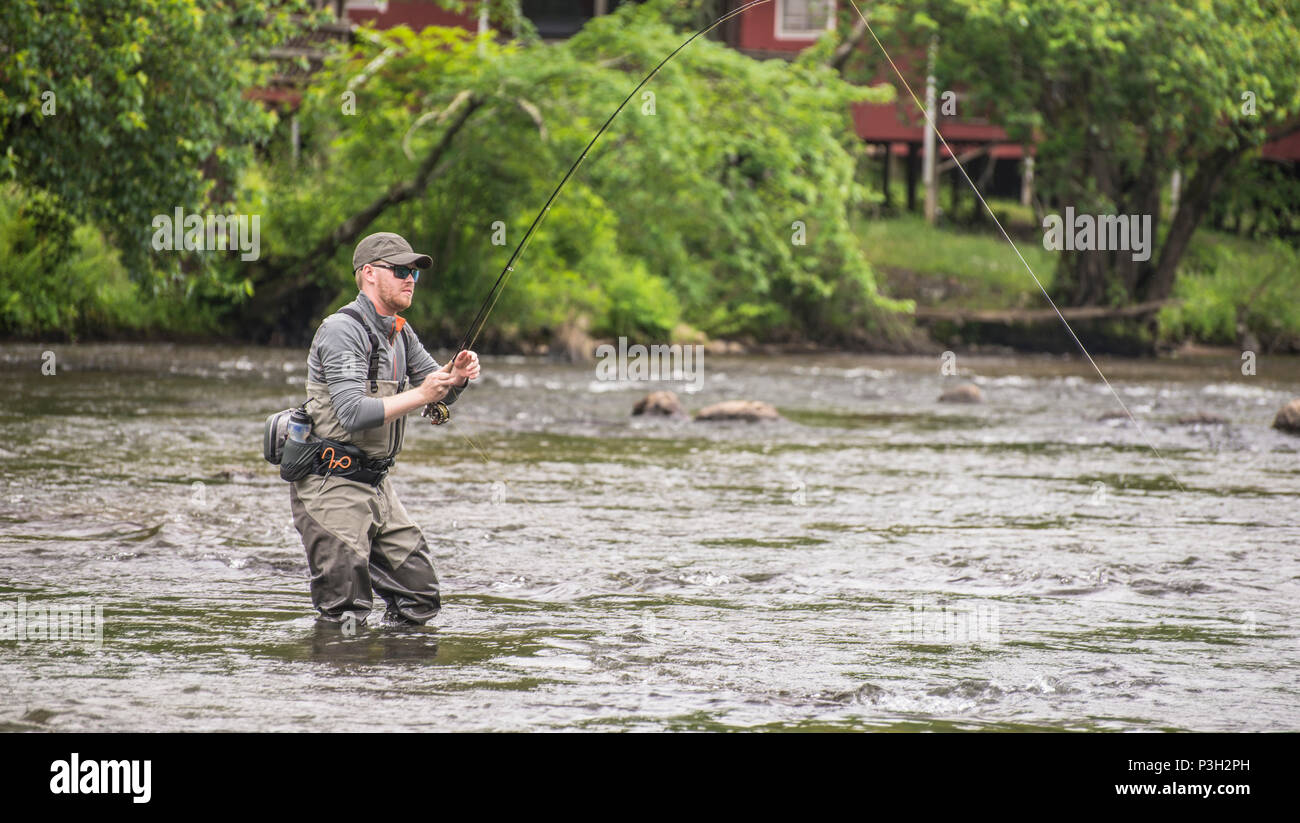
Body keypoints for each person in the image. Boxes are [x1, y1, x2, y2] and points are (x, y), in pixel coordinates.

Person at [289, 231, 480, 627]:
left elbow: (437, 397)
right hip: (332, 485)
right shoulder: (342, 330)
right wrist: (423, 392)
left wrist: (456, 379)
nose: (410, 278)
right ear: (370, 273)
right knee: (346, 614)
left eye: (414, 272)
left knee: (420, 597)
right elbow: (353, 413)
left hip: (377, 485)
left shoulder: (399, 330)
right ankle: (340, 683)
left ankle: (391, 682)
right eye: (401, 270)